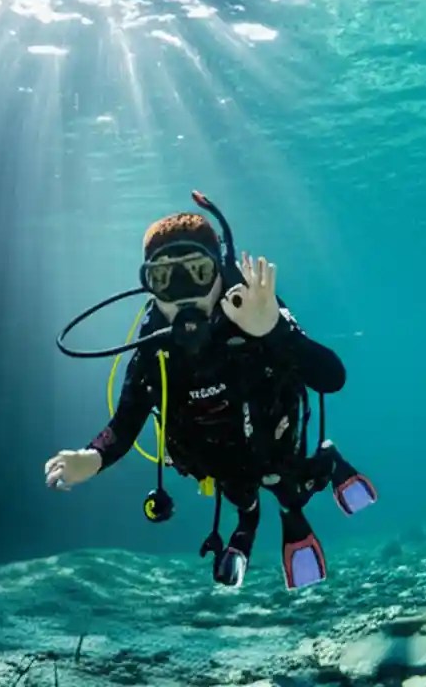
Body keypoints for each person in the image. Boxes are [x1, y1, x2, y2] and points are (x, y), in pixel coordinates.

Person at [47, 191, 377, 590]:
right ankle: (248, 523)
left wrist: (273, 329)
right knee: (242, 497)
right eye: (166, 278)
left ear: (220, 270)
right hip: (216, 463)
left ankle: (312, 485)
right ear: (149, 287)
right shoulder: (155, 346)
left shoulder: (256, 309)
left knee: (291, 490)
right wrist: (93, 457)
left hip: (275, 443)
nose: (184, 293)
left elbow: (331, 377)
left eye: (197, 272)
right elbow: (127, 420)